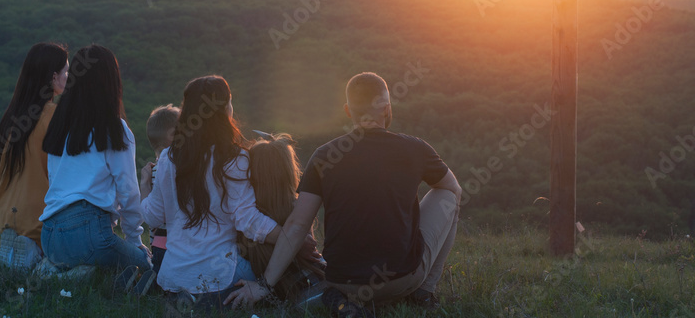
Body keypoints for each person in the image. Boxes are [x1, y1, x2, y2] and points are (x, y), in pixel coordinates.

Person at [227, 72, 462, 315]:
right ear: (387, 108)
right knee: (450, 196)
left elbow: (296, 226)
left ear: (348, 111)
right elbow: (453, 188)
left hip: (342, 284)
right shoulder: (416, 148)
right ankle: (423, 292)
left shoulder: (324, 156)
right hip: (402, 280)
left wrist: (264, 285)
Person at [140, 75, 279, 306]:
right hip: (220, 278)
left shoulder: (168, 157)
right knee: (278, 273)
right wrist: (287, 236)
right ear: (225, 110)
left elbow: (154, 217)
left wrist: (145, 187)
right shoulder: (234, 157)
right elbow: (247, 219)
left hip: (173, 279)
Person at [40, 45, 151, 274]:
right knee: (146, 265)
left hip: (50, 236)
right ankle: (85, 273)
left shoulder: (59, 127)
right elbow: (128, 191)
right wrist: (134, 239)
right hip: (87, 231)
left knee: (105, 262)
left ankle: (65, 272)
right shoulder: (114, 129)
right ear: (111, 82)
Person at [0, 42, 69, 270]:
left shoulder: (10, 117)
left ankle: (16, 241)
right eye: (66, 71)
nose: (69, 77)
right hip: (39, 218)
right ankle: (35, 249)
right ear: (53, 77)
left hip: (4, 214)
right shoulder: (56, 116)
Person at [238, 133, 325, 303]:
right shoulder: (298, 208)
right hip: (318, 283)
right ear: (288, 171)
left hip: (284, 292)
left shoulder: (247, 217)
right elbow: (313, 254)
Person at [143, 103, 180, 277]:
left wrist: (144, 185)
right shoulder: (179, 168)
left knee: (159, 275)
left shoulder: (152, 172)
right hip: (178, 246)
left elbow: (149, 214)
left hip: (159, 246)